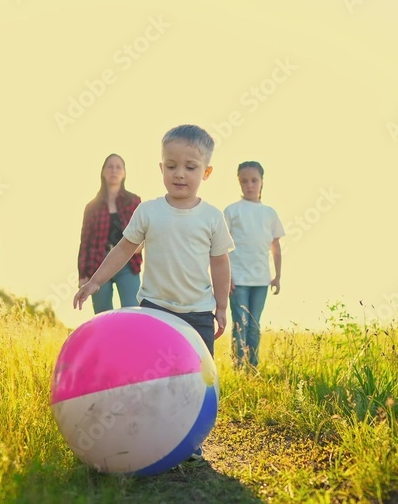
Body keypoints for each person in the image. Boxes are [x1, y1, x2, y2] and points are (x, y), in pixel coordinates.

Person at [73, 125, 233, 461]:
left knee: (195, 381)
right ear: (161, 167)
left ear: (206, 172)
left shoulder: (212, 217)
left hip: (198, 313)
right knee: (153, 379)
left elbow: (220, 263)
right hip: (156, 312)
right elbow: (123, 249)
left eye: (190, 167)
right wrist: (96, 281)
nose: (179, 174)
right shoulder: (148, 211)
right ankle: (151, 433)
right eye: (171, 165)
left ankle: (191, 439)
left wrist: (221, 307)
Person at [224, 161, 284, 370]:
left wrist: (277, 276)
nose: (249, 185)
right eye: (244, 181)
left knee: (255, 324)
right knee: (240, 323)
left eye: (254, 180)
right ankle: (239, 366)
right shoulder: (232, 211)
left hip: (261, 280)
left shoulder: (269, 213)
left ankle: (253, 366)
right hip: (238, 279)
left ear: (262, 182)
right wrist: (227, 277)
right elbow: (221, 247)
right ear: (239, 182)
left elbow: (276, 246)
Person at [77, 154, 143, 314]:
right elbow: (85, 243)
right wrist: (83, 274)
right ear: (103, 172)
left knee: (132, 310)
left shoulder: (134, 201)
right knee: (102, 313)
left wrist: (141, 244)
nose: (114, 170)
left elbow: (143, 231)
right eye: (110, 167)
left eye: (118, 167)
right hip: (98, 264)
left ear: (124, 173)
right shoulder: (92, 206)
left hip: (128, 262)